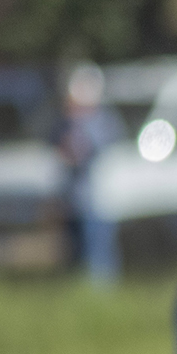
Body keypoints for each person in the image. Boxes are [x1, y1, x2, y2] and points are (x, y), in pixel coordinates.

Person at [58, 63, 125, 284]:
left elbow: (83, 150)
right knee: (81, 248)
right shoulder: (75, 122)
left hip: (99, 198)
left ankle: (102, 289)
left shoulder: (101, 121)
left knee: (99, 249)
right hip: (80, 198)